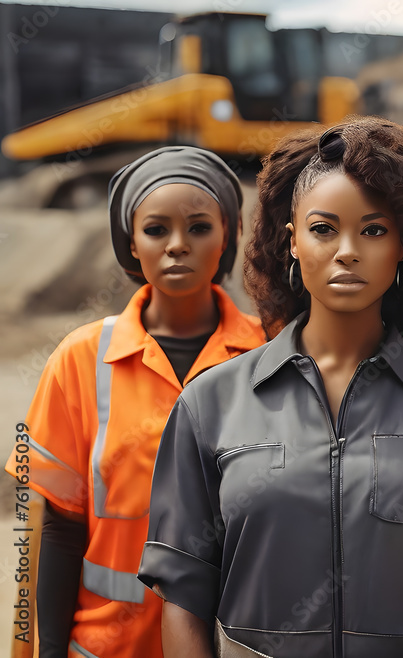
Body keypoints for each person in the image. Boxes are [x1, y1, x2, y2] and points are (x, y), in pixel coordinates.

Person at [138, 117, 403, 658]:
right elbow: (183, 599)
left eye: (374, 230)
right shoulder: (209, 405)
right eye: (323, 229)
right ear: (290, 241)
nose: (347, 251)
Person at [4, 146, 266, 658]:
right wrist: (47, 649)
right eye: (156, 230)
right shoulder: (81, 359)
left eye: (197, 227)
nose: (177, 246)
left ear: (229, 236)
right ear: (130, 243)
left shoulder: (268, 356)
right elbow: (56, 526)